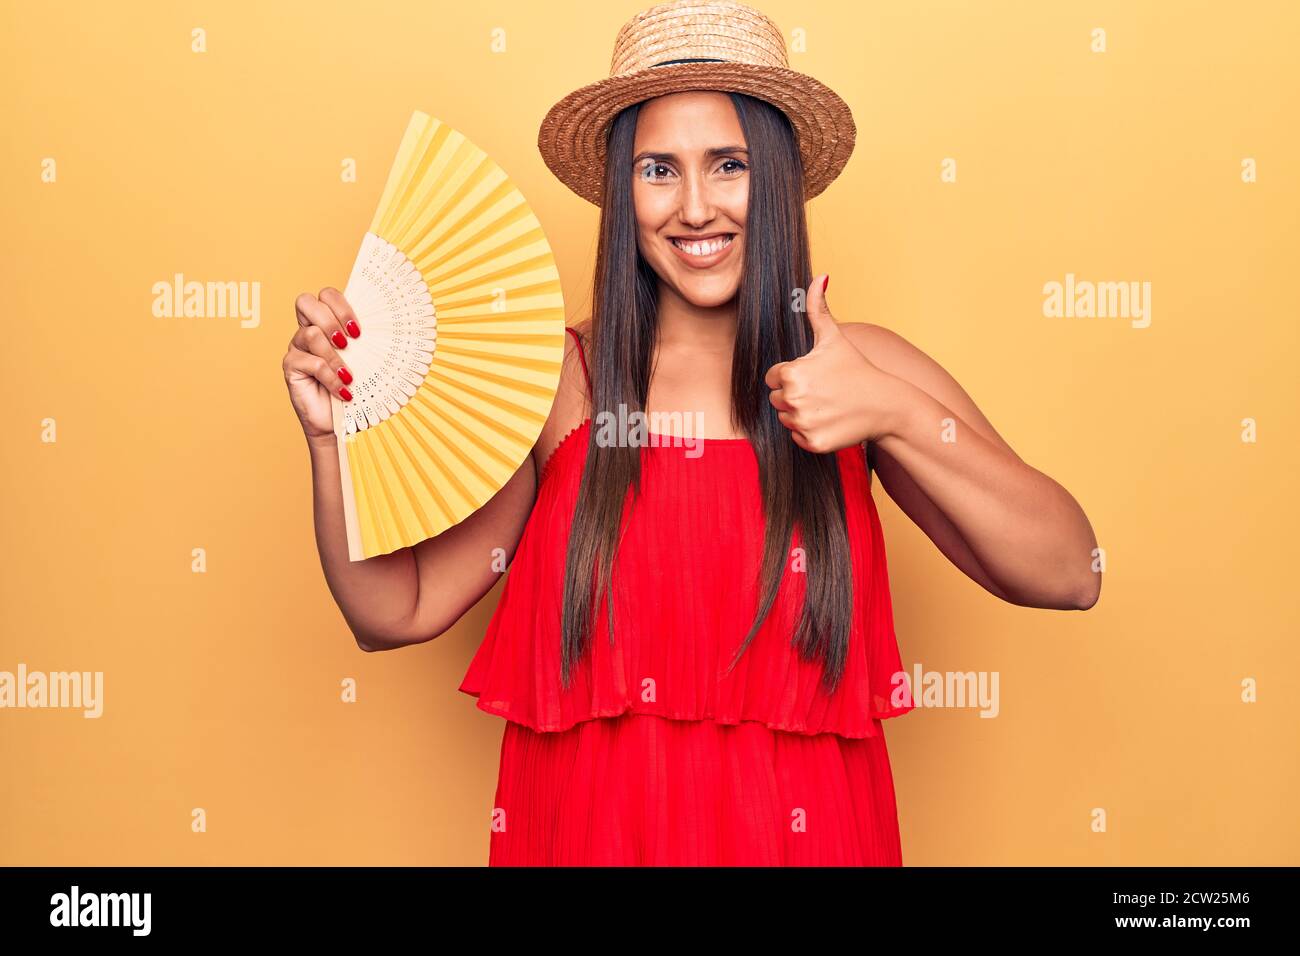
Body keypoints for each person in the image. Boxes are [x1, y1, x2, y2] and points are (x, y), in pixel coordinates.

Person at [281, 0, 1100, 866]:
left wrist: (894, 412)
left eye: (730, 165)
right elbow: (392, 611)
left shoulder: (863, 370)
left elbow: (1070, 572)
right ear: (622, 194)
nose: (697, 207)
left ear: (778, 182)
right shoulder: (560, 382)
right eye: (660, 170)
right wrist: (331, 440)